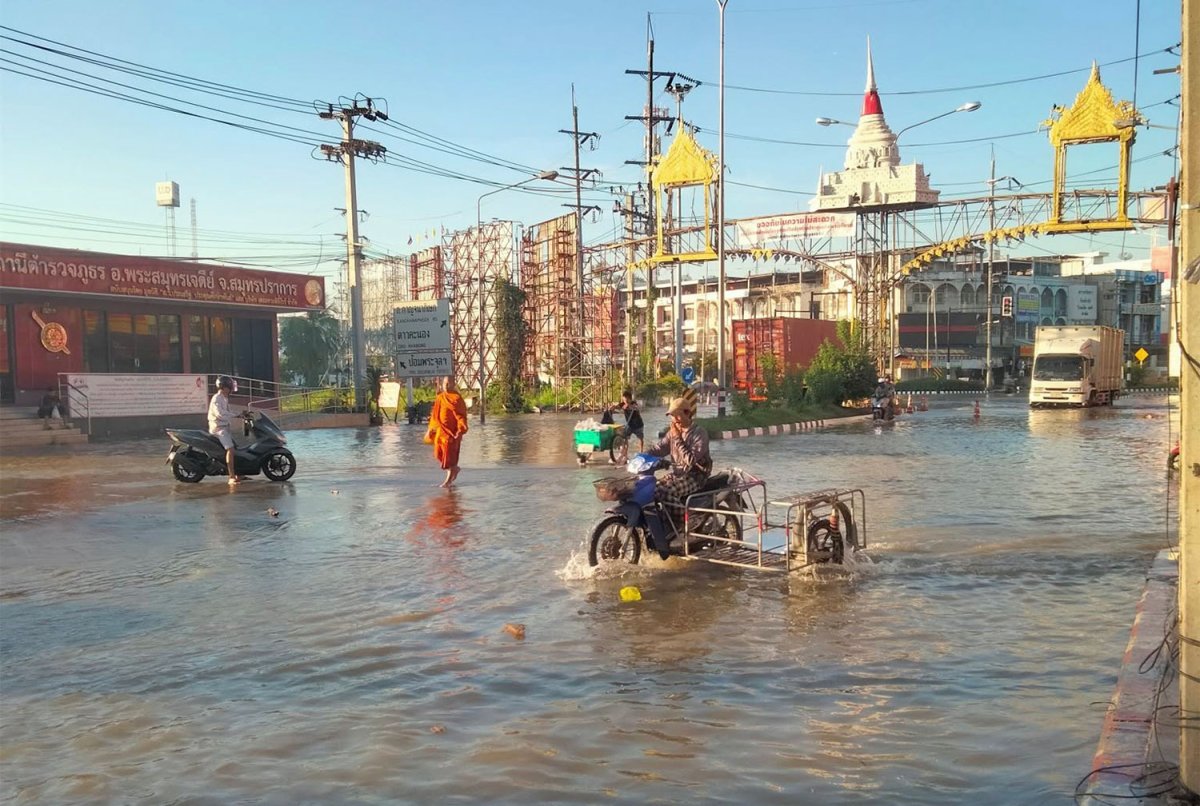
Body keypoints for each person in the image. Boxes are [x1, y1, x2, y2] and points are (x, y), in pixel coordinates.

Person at [644, 396, 711, 530]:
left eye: (677, 416)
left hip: (695, 476)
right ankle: (663, 523)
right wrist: (643, 455)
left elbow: (690, 460)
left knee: (667, 492)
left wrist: (677, 438)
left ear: (687, 413)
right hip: (678, 474)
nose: (674, 420)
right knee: (651, 489)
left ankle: (682, 526)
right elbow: (660, 448)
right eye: (672, 416)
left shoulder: (699, 433)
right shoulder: (673, 432)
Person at [426, 375, 469, 487]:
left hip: (452, 432)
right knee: (438, 453)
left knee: (449, 455)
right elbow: (435, 415)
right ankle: (454, 469)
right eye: (444, 383)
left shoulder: (457, 399)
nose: (446, 386)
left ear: (453, 384)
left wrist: (460, 429)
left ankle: (448, 480)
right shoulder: (440, 397)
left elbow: (461, 416)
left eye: (448, 383)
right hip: (441, 430)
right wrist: (430, 429)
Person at [208, 375, 243, 486]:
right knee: (231, 449)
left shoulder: (224, 398)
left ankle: (238, 473)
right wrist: (237, 415)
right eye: (229, 387)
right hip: (218, 428)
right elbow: (220, 414)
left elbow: (228, 411)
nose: (231, 389)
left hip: (225, 427)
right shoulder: (216, 398)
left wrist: (242, 414)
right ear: (223, 387)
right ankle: (231, 477)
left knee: (237, 447)